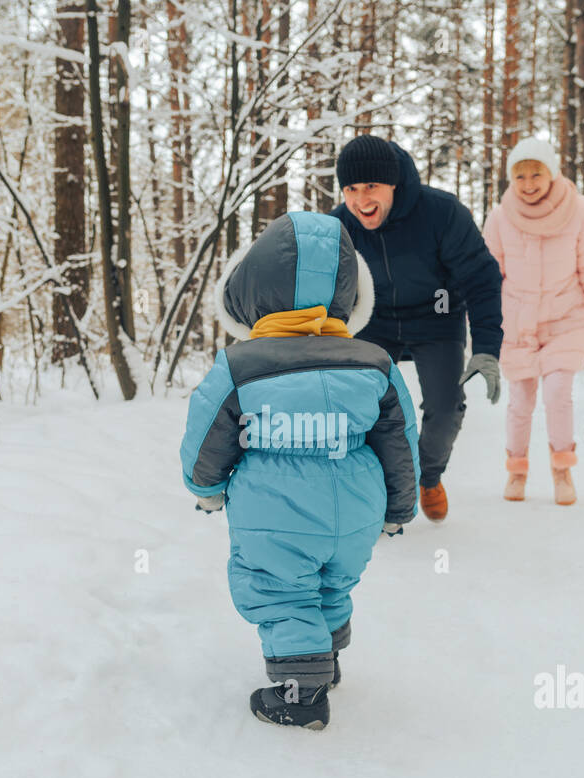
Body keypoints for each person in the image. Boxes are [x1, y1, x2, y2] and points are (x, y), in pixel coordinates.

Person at [180, 211, 420, 730]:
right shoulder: (374, 361)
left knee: (280, 589)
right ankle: (324, 660)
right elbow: (400, 439)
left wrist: (205, 488)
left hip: (276, 505)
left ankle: (300, 693)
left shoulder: (242, 363)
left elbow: (209, 433)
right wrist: (400, 509)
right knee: (332, 583)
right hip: (356, 505)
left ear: (250, 290)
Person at [330, 134, 503, 522]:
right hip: (372, 321)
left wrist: (487, 348)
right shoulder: (338, 227)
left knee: (445, 408)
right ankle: (379, 490)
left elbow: (482, 277)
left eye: (371, 186)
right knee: (363, 408)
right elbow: (315, 288)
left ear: (393, 183)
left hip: (436, 318)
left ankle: (428, 477)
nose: (361, 200)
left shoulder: (440, 213)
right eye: (351, 189)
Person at [482, 138, 584, 505]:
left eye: (537, 173)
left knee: (556, 393)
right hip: (517, 322)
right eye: (520, 176)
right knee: (520, 400)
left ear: (552, 173)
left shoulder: (583, 212)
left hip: (567, 317)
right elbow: (487, 279)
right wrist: (482, 328)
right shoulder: (500, 217)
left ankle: (561, 470)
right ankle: (517, 470)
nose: (529, 183)